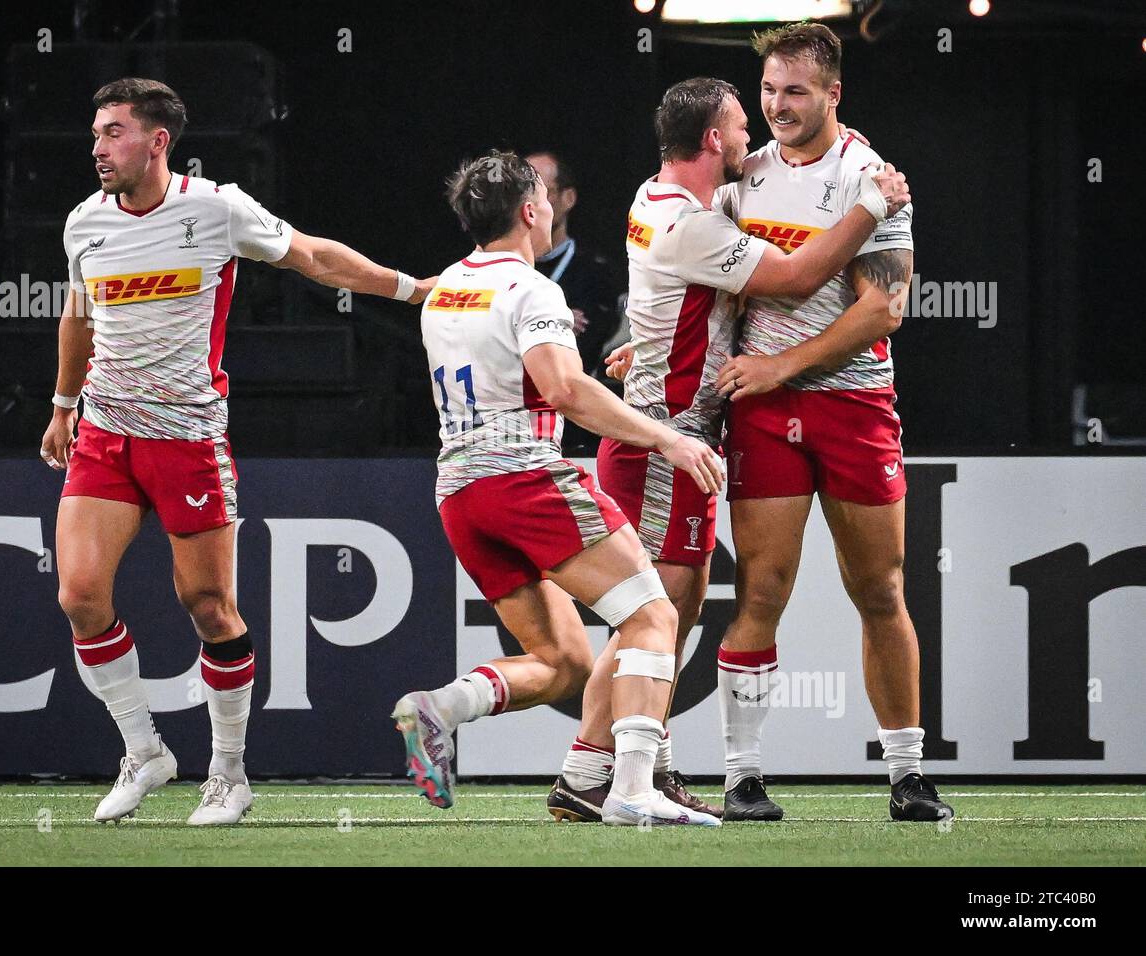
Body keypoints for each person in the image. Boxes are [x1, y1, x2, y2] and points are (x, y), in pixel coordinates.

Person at [39, 77, 434, 825]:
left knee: (210, 607)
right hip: (105, 435)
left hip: (186, 437)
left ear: (158, 141)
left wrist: (414, 290)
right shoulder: (83, 224)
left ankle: (228, 773)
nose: (98, 147)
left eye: (114, 132)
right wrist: (62, 406)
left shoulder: (216, 209)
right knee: (80, 597)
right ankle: (144, 751)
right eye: (95, 133)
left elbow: (314, 257)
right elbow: (77, 316)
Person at [548, 76, 912, 823]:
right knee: (654, 616)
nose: (757, 133)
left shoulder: (662, 198)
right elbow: (799, 275)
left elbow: (696, 300)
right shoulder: (693, 223)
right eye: (744, 122)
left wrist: (643, 350)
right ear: (713, 140)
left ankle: (649, 766)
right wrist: (872, 205)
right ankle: (590, 772)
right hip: (664, 441)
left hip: (677, 432)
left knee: (665, 615)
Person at [393, 149, 725, 826]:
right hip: (523, 476)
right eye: (542, 195)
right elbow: (564, 390)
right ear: (530, 210)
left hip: (459, 491)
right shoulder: (533, 288)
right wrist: (668, 437)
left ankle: (441, 708)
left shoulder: (448, 287)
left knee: (564, 660)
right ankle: (633, 789)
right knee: (654, 617)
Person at [709, 22, 953, 822]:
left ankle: (908, 777)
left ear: (833, 94)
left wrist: (784, 363)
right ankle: (742, 778)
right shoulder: (741, 179)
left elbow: (882, 309)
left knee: (879, 589)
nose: (777, 106)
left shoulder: (870, 178)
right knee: (762, 588)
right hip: (764, 412)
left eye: (795, 93)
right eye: (768, 91)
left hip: (852, 405)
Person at [525, 151, 622, 375]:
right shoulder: (504, 267)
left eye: (539, 191)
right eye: (520, 192)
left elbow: (584, 352)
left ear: (568, 198)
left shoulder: (596, 273)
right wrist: (552, 322)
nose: (528, 202)